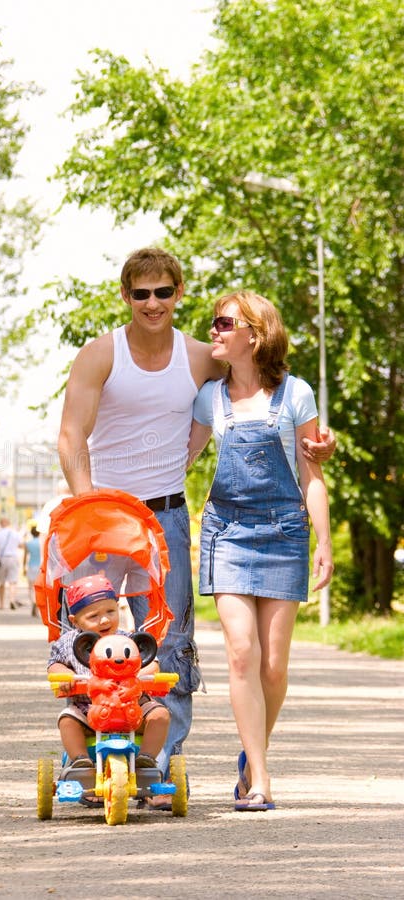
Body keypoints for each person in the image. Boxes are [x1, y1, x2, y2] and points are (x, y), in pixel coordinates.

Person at [57, 246, 336, 780]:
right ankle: (83, 757)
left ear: (178, 294)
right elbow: (72, 439)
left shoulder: (201, 357)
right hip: (103, 514)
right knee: (81, 638)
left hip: (166, 517)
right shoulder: (100, 355)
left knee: (171, 643)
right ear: (125, 296)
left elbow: (273, 390)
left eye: (164, 292)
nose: (153, 303)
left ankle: (159, 763)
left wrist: (323, 443)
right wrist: (87, 506)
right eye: (141, 293)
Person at [188, 290, 333, 812]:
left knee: (273, 667)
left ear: (256, 332)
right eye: (214, 323)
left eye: (225, 323)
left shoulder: (295, 394)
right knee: (242, 651)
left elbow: (312, 474)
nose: (215, 331)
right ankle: (262, 780)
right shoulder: (210, 398)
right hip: (226, 532)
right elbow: (180, 459)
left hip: (284, 532)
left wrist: (325, 543)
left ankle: (251, 756)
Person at [47, 574, 170, 793]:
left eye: (110, 612)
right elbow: (54, 665)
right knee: (67, 720)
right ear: (74, 621)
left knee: (160, 715)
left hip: (131, 707)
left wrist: (141, 675)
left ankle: (146, 759)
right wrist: (65, 675)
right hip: (88, 709)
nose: (104, 620)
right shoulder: (68, 643)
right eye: (94, 616)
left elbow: (154, 664)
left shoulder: (129, 639)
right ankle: (80, 761)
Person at [0, 516, 22, 610]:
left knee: (1, 583)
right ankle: (12, 600)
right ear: (9, 523)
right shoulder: (16, 534)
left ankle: (1, 604)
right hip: (13, 558)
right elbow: (21, 545)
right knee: (13, 582)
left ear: (0, 524)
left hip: (2, 559)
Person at [23, 525, 42, 616]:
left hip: (31, 566)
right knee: (38, 588)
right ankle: (37, 604)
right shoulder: (42, 543)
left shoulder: (28, 543)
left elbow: (25, 557)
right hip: (40, 567)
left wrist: (23, 568)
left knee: (31, 588)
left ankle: (33, 602)